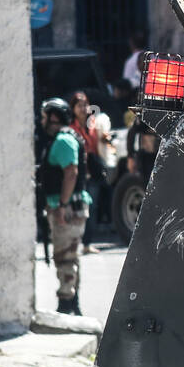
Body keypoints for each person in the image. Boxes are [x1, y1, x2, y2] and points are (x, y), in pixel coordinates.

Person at [37, 98, 92, 315]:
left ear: (53, 117)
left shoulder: (62, 141)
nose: (41, 121)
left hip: (67, 211)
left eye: (44, 116)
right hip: (71, 207)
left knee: (65, 258)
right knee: (71, 257)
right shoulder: (67, 138)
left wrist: (61, 205)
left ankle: (66, 305)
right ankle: (72, 304)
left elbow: (71, 173)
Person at [70, 92, 111, 254]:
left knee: (91, 208)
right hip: (76, 172)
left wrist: (104, 139)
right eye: (79, 105)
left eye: (85, 105)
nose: (82, 108)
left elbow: (97, 146)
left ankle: (87, 244)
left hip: (92, 172)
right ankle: (73, 242)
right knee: (75, 208)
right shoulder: (70, 127)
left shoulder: (94, 124)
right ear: (72, 108)